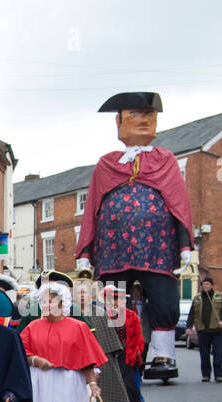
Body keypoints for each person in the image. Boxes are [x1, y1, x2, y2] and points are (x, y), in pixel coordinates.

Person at [76, 92, 193, 381]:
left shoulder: (166, 160)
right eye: (134, 115)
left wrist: (184, 246)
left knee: (164, 301)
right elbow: (92, 206)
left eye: (149, 116)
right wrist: (85, 253)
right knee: (111, 304)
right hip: (113, 251)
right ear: (118, 122)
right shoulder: (106, 164)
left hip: (158, 250)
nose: (143, 121)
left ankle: (162, 355)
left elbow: (179, 203)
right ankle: (111, 351)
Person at [86, 289, 138, 402]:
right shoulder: (72, 312)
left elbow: (111, 339)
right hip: (84, 359)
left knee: (114, 391)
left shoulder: (99, 313)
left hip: (105, 356)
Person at [102, 285, 146, 402]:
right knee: (113, 384)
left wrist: (137, 352)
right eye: (114, 300)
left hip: (128, 354)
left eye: (120, 300)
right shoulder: (104, 316)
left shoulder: (132, 316)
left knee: (130, 383)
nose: (117, 303)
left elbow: (138, 337)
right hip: (111, 354)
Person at [187, 274, 222, 383]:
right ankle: (206, 375)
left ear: (211, 286)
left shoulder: (219, 297)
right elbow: (192, 314)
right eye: (204, 284)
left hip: (216, 331)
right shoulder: (197, 299)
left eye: (207, 284)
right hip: (203, 330)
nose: (205, 286)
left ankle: (218, 375)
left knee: (218, 354)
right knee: (204, 354)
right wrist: (189, 327)